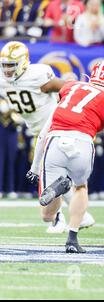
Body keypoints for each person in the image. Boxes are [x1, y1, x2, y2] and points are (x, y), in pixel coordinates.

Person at [35, 59, 104, 253]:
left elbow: (49, 96)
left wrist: (35, 163)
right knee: (81, 187)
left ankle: (59, 188)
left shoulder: (71, 86)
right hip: (82, 142)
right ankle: (72, 239)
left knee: (47, 215)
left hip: (55, 140)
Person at [0, 41, 95, 233]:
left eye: (11, 65)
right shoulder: (2, 80)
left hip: (56, 129)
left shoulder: (37, 75)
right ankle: (76, 216)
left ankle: (63, 218)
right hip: (39, 132)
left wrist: (81, 88)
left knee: (51, 177)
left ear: (23, 63)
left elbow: (67, 88)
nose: (7, 69)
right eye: (4, 65)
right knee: (56, 178)